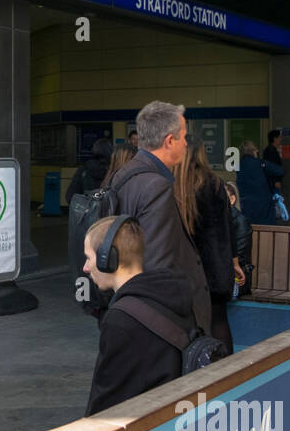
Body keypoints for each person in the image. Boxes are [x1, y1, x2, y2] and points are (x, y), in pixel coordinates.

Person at [107, 101, 212, 334]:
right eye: (183, 136)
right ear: (169, 141)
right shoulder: (157, 186)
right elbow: (158, 264)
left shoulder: (124, 174)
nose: (186, 143)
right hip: (158, 319)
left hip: (130, 303)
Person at [81, 216, 191, 416]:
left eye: (89, 258)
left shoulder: (121, 321)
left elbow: (106, 401)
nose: (85, 268)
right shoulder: (170, 293)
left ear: (108, 259)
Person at [174, 136, 240, 353]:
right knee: (220, 320)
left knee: (190, 325)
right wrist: (234, 262)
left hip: (191, 270)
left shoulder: (177, 186)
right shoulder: (217, 183)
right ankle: (225, 372)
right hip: (219, 266)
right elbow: (229, 227)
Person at [237, 139, 284, 225]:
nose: (257, 151)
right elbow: (280, 171)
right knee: (267, 232)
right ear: (253, 151)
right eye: (256, 149)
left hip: (245, 205)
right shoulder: (260, 163)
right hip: (264, 206)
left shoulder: (239, 165)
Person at [224, 181, 252, 298]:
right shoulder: (217, 219)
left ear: (232, 199)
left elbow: (240, 255)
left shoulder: (240, 221)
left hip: (237, 278)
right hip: (221, 273)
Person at [66, 137, 112, 205]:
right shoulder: (114, 171)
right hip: (109, 213)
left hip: (87, 213)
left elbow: (69, 197)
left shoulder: (83, 170)